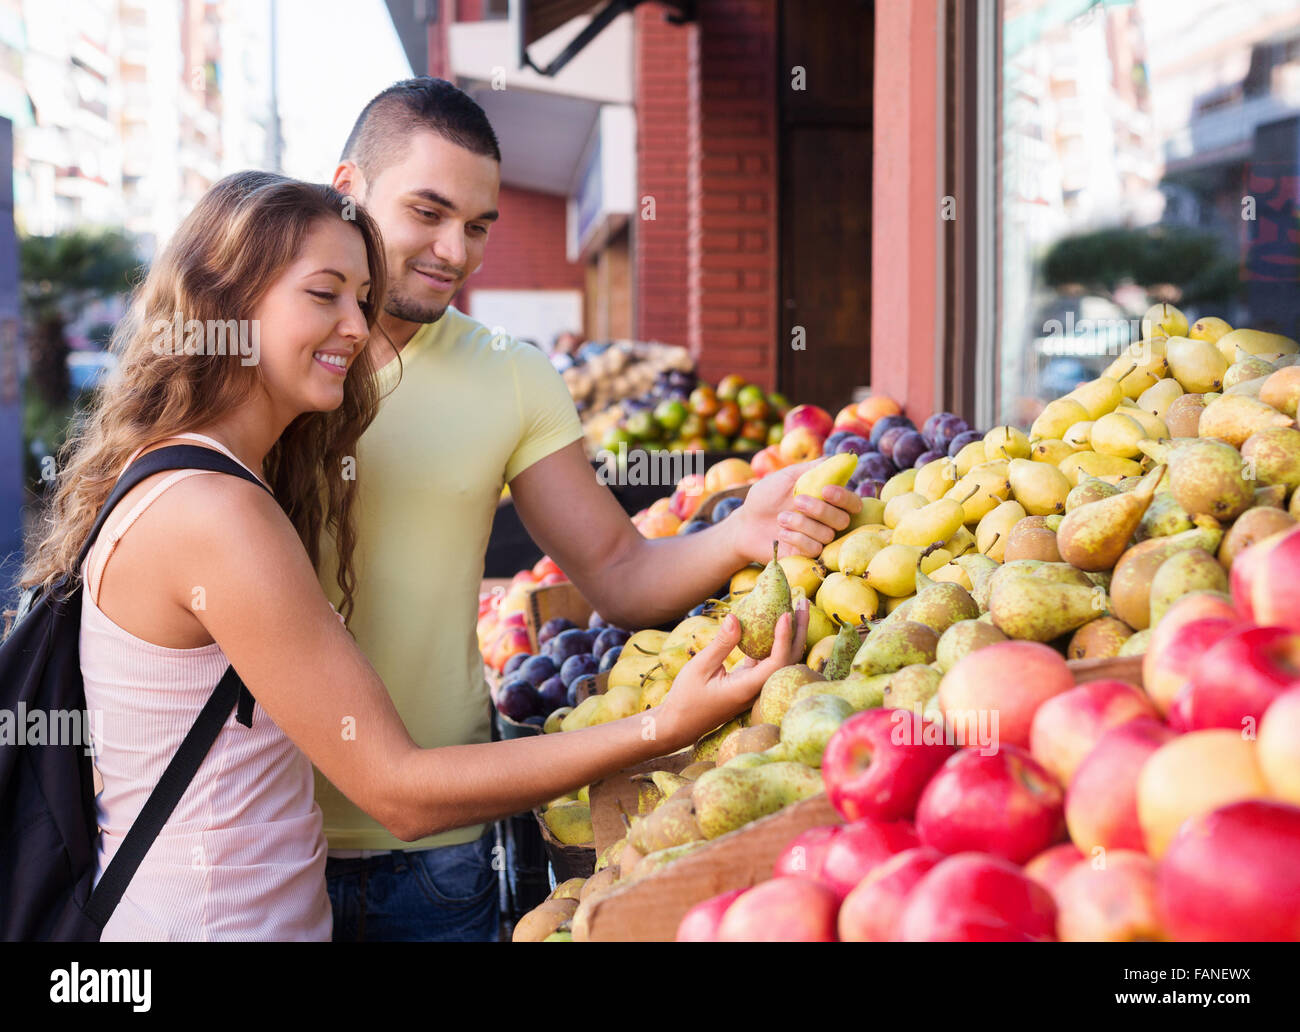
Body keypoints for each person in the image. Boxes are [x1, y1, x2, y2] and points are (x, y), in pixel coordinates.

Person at [18, 170, 811, 941]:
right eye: (324, 295)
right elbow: (398, 787)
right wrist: (658, 727)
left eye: (360, 301)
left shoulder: (184, 476)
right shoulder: (216, 512)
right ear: (223, 302)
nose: (359, 328)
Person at [319, 78, 862, 941]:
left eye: (480, 226)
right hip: (263, 838)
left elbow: (618, 573)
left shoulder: (511, 373)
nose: (454, 251)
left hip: (444, 856)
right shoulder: (269, 352)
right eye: (427, 211)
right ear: (347, 188)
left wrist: (744, 532)